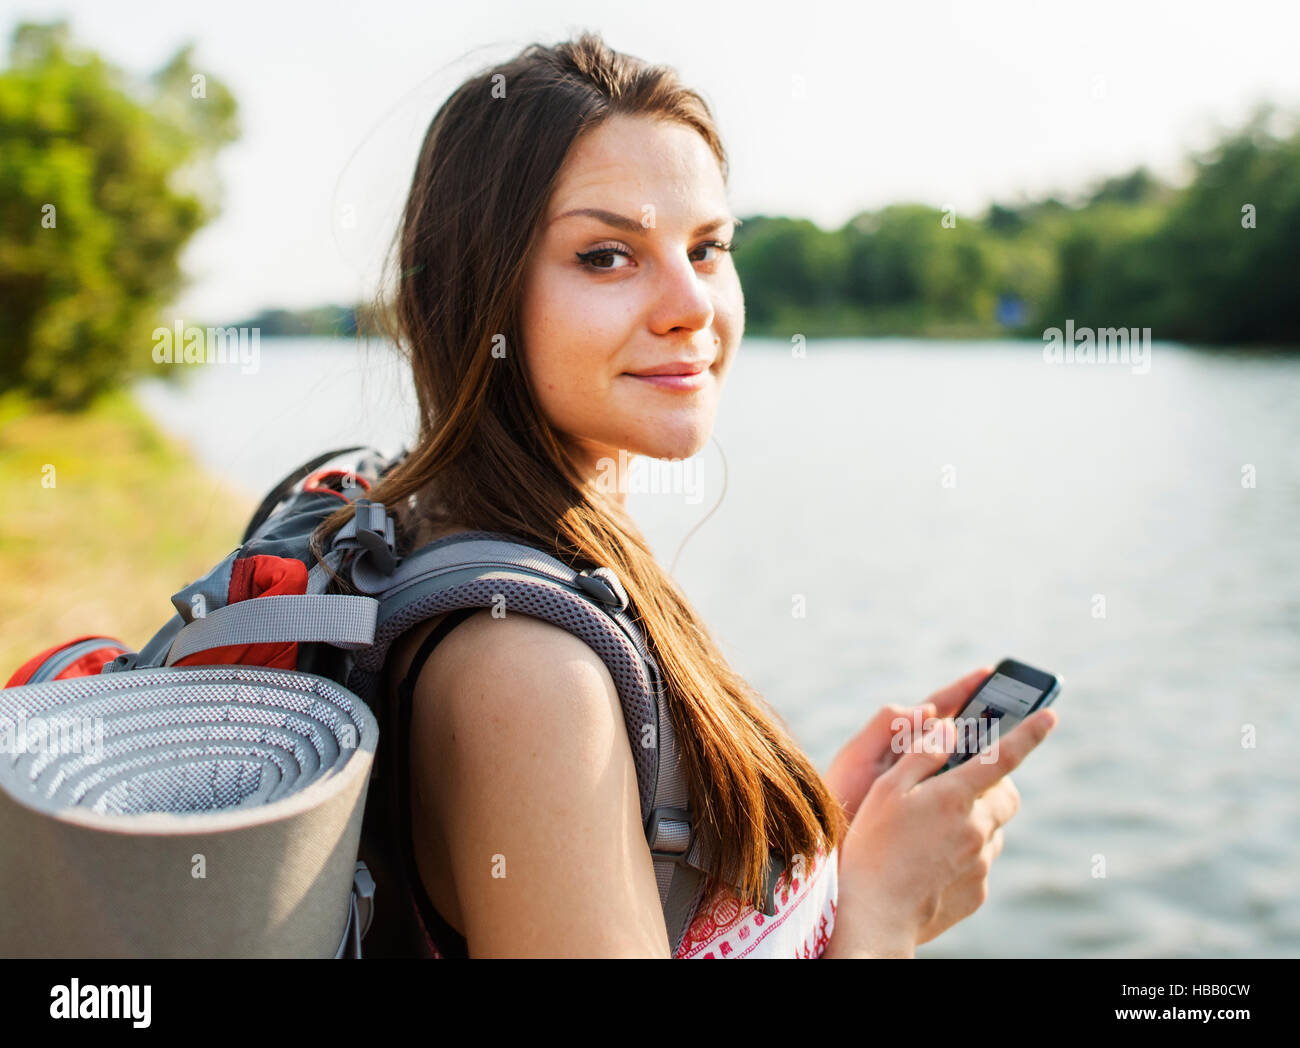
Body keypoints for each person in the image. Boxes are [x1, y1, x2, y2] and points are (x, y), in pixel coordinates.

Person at [310, 31, 1057, 958]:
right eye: (606, 256)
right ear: (479, 290)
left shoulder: (519, 540)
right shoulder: (526, 667)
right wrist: (885, 920)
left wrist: (815, 854)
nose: (691, 303)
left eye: (707, 247)